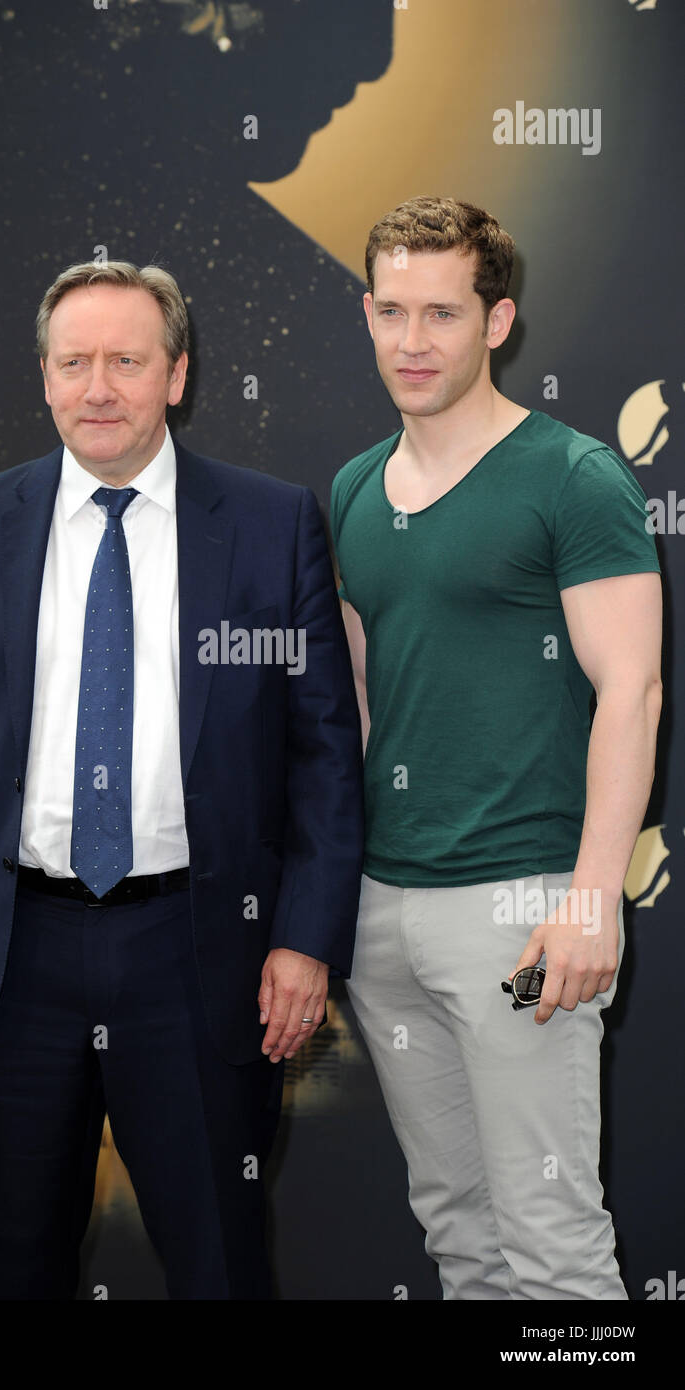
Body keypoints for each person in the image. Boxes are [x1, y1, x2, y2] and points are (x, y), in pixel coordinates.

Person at [0, 260, 364, 1300]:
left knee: (219, 1262)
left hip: (198, 954)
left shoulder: (272, 524)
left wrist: (306, 936)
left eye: (126, 361)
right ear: (42, 378)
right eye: (74, 362)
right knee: (9, 1266)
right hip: (8, 953)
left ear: (176, 375)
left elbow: (322, 755)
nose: (99, 388)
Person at [331, 197, 662, 1300]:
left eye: (441, 312)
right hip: (386, 920)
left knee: (550, 1238)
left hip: (521, 927)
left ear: (498, 320)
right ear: (367, 315)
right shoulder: (351, 492)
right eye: (391, 311)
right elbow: (368, 702)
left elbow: (632, 688)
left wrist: (590, 898)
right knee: (459, 1234)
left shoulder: (573, 477)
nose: (412, 340)